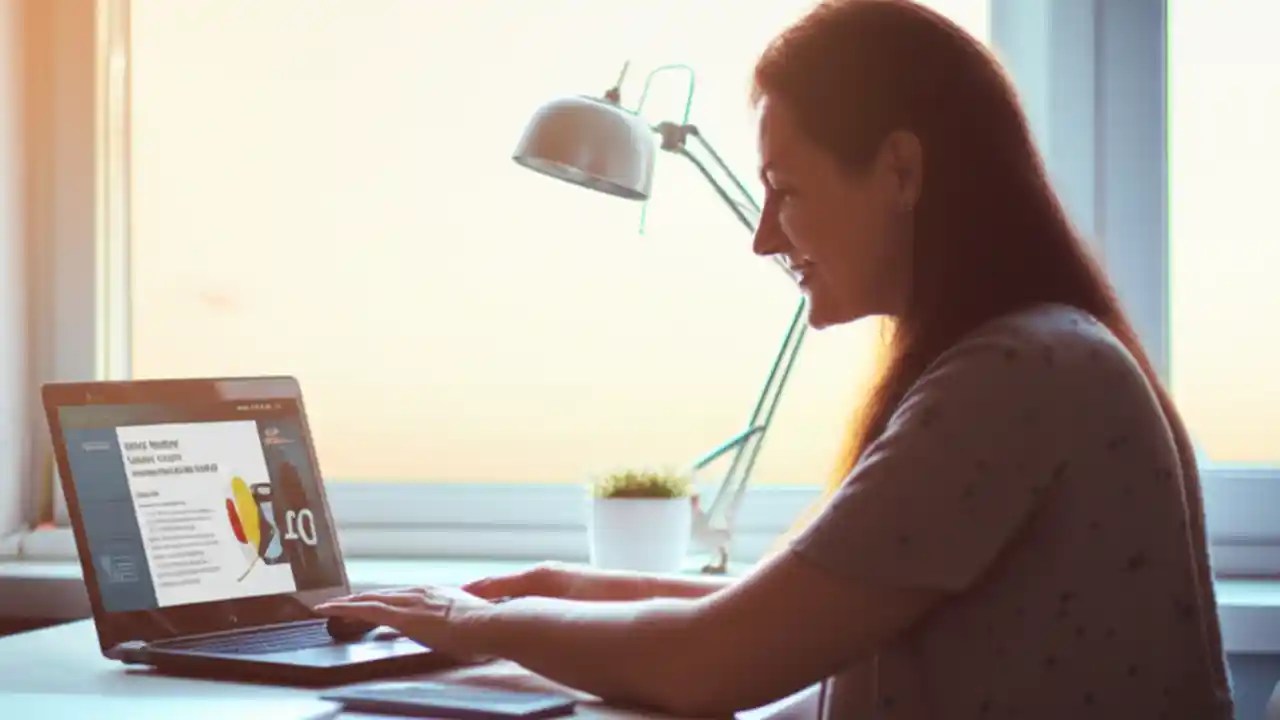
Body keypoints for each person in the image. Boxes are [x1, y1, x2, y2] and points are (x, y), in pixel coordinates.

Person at [315, 1, 1234, 717]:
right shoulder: (1041, 348)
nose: (762, 238)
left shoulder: (1015, 376)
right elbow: (793, 611)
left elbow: (716, 659)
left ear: (902, 172)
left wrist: (482, 624)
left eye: (784, 191)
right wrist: (560, 590)